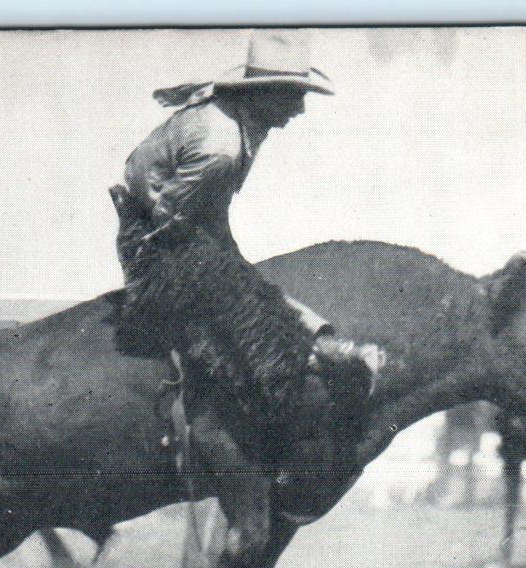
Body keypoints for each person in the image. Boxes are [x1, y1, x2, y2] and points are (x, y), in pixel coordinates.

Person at [111, 30, 380, 434]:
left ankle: (317, 343)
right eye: (295, 97)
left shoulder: (235, 119)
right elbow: (171, 223)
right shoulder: (221, 147)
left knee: (247, 286)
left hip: (175, 224)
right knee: (246, 318)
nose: (300, 110)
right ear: (264, 94)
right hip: (154, 239)